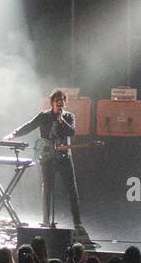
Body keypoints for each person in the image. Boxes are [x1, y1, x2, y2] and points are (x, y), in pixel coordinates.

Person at [11, 89, 89, 242]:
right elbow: (29, 126)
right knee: (47, 189)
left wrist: (61, 120)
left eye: (62, 101)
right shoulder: (44, 116)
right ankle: (46, 220)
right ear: (52, 102)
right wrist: (14, 134)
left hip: (64, 158)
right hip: (47, 158)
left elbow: (71, 132)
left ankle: (77, 222)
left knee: (71, 189)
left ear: (64, 103)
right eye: (56, 101)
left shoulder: (68, 117)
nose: (59, 104)